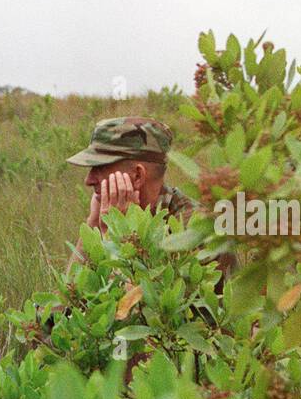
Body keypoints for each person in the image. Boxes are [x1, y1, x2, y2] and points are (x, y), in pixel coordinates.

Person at [65, 116, 236, 280]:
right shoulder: (122, 213)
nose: (89, 180)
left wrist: (116, 235)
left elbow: (131, 307)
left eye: (99, 167)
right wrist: (92, 226)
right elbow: (65, 304)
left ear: (138, 176)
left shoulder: (192, 231)